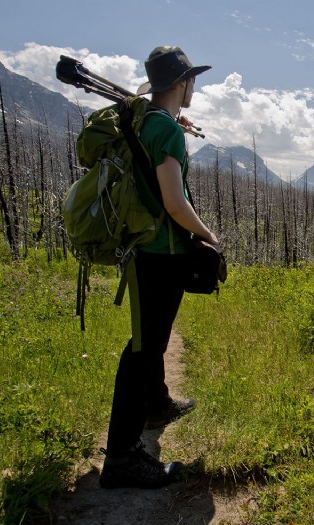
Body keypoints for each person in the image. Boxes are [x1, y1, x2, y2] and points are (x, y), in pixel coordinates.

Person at [99, 46, 219, 489]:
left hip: (140, 248)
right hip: (161, 252)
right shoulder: (165, 131)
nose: (194, 89)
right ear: (182, 83)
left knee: (150, 338)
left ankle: (157, 403)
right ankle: (122, 458)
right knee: (143, 349)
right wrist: (208, 236)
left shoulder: (145, 121)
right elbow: (174, 202)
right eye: (192, 81)